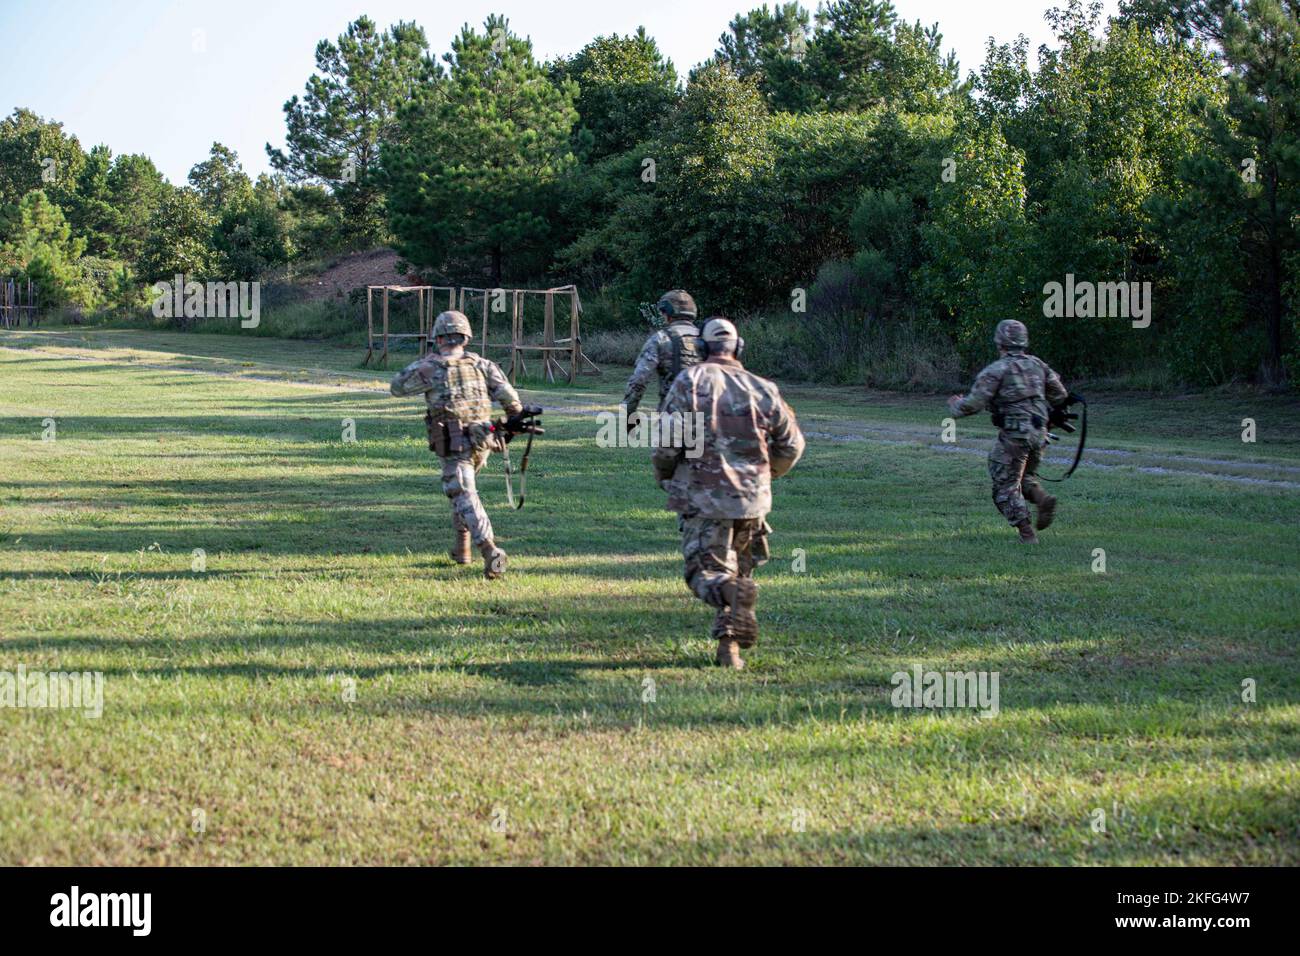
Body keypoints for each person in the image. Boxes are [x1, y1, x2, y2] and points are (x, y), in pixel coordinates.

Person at [652, 317, 805, 669]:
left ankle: (731, 600)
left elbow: (667, 442)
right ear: (738, 348)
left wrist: (664, 475)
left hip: (704, 498)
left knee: (705, 573)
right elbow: (792, 444)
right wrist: (768, 475)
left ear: (703, 349)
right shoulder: (763, 387)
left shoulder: (690, 381)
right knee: (739, 574)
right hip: (752, 502)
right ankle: (728, 652)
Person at [390, 310, 523, 578]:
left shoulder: (431, 367)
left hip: (453, 441)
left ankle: (490, 550)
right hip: (483, 440)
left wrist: (425, 362)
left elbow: (397, 387)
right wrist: (507, 428)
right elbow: (512, 401)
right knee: (462, 492)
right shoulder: (482, 364)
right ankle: (462, 549)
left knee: (463, 493)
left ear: (438, 338)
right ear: (465, 337)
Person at [947, 319, 1070, 544]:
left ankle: (1027, 535)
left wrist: (956, 405)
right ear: (1023, 341)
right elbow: (1060, 395)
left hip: (1014, 436)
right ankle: (1042, 500)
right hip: (1039, 434)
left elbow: (974, 403)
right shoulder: (1038, 365)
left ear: (1000, 343)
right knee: (1024, 477)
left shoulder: (997, 370)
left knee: (1004, 486)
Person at [621, 289, 704, 426]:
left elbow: (638, 381)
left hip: (672, 418)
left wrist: (629, 414)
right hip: (704, 421)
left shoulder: (660, 339)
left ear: (669, 312)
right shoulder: (706, 338)